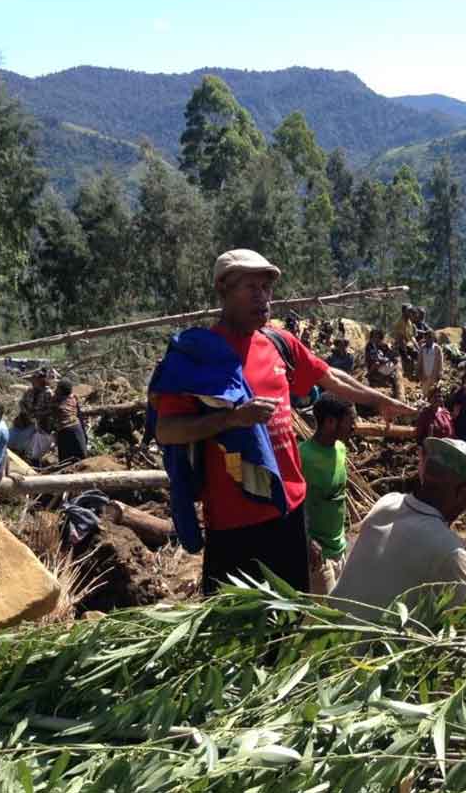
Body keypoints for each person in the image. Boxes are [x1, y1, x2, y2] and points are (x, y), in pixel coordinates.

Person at [151, 249, 415, 595]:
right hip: (233, 520)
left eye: (266, 287)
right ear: (223, 290)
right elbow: (166, 430)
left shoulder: (278, 342)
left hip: (288, 509)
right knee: (235, 634)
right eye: (250, 287)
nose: (263, 296)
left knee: (288, 622)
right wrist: (231, 419)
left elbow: (328, 375)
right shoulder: (198, 357)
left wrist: (377, 399)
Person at [331, 437, 466, 618]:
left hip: (326, 631)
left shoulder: (386, 503)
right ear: (461, 491)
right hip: (368, 646)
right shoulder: (449, 550)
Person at [299, 395, 356, 595]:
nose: (354, 427)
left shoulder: (341, 449)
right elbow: (292, 504)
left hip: (339, 547)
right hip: (318, 554)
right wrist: (307, 541)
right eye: (350, 421)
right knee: (325, 617)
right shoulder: (303, 456)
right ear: (331, 422)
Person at [52, 379, 88, 462]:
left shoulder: (55, 401)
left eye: (57, 388)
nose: (55, 390)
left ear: (61, 390)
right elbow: (80, 416)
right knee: (81, 458)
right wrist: (84, 433)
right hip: (76, 428)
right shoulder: (73, 398)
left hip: (64, 431)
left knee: (65, 460)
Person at [364, 329, 401, 400]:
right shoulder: (369, 346)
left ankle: (391, 381)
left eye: (378, 336)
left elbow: (390, 353)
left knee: (395, 363)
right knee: (376, 363)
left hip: (383, 363)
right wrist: (385, 359)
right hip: (372, 363)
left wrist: (392, 355)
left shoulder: (383, 345)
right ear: (372, 337)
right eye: (374, 336)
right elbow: (373, 358)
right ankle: (369, 375)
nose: (376, 338)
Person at [416, 329, 444, 398]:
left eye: (430, 337)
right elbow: (419, 361)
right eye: (427, 337)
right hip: (424, 375)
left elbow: (441, 362)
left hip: (434, 376)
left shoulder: (437, 349)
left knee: (433, 394)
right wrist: (418, 372)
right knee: (425, 393)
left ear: (433, 338)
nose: (428, 339)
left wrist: (440, 374)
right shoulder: (422, 348)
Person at [392, 304, 419, 373]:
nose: (411, 312)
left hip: (407, 344)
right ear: (404, 312)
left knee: (418, 353)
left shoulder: (409, 322)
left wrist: (418, 348)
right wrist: (405, 354)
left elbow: (411, 337)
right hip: (400, 345)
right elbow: (400, 339)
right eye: (409, 311)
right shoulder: (400, 322)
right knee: (410, 356)